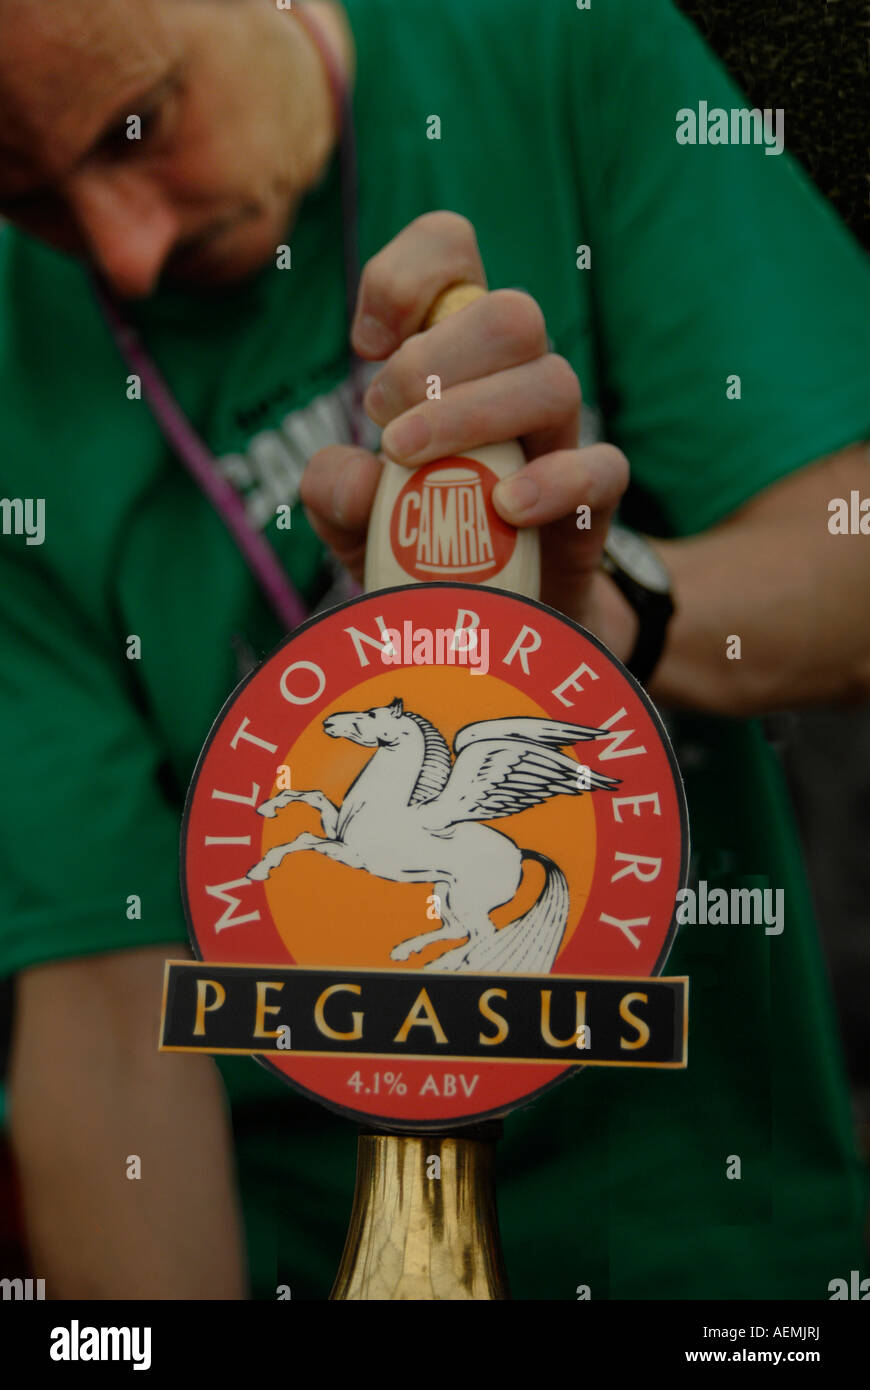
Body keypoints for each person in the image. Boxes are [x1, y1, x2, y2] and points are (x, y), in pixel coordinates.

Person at [1, 0, 868, 1301]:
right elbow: (109, 995)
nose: (123, 254)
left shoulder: (567, 49)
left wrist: (616, 609)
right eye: (26, 199)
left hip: (707, 1256)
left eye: (140, 126)